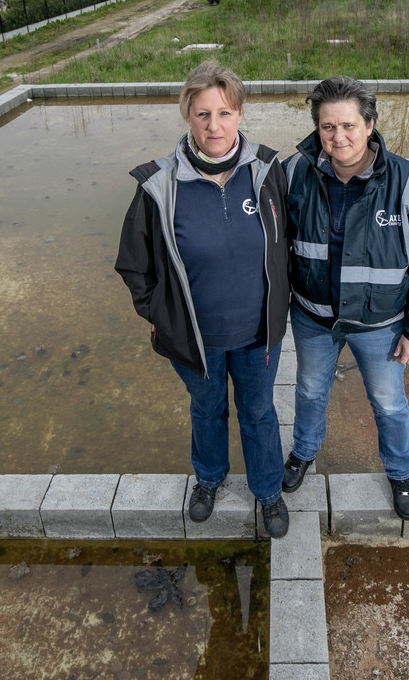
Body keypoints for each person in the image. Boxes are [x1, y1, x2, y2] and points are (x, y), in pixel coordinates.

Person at [115, 61, 291, 538]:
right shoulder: (159, 185)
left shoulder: (269, 171)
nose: (215, 126)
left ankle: (268, 491)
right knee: (207, 410)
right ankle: (209, 479)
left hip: (258, 335)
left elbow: (289, 245)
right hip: (196, 339)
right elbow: (136, 266)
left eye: (225, 112)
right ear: (187, 117)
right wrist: (158, 316)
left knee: (258, 412)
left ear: (239, 114)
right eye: (202, 114)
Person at [281, 77, 409, 520]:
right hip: (314, 318)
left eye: (348, 126)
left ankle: (399, 473)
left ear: (370, 125)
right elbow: (270, 245)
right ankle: (302, 453)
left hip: (379, 326)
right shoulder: (293, 174)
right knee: (309, 389)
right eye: (327, 127)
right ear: (317, 128)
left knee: (389, 402)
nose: (338, 137)